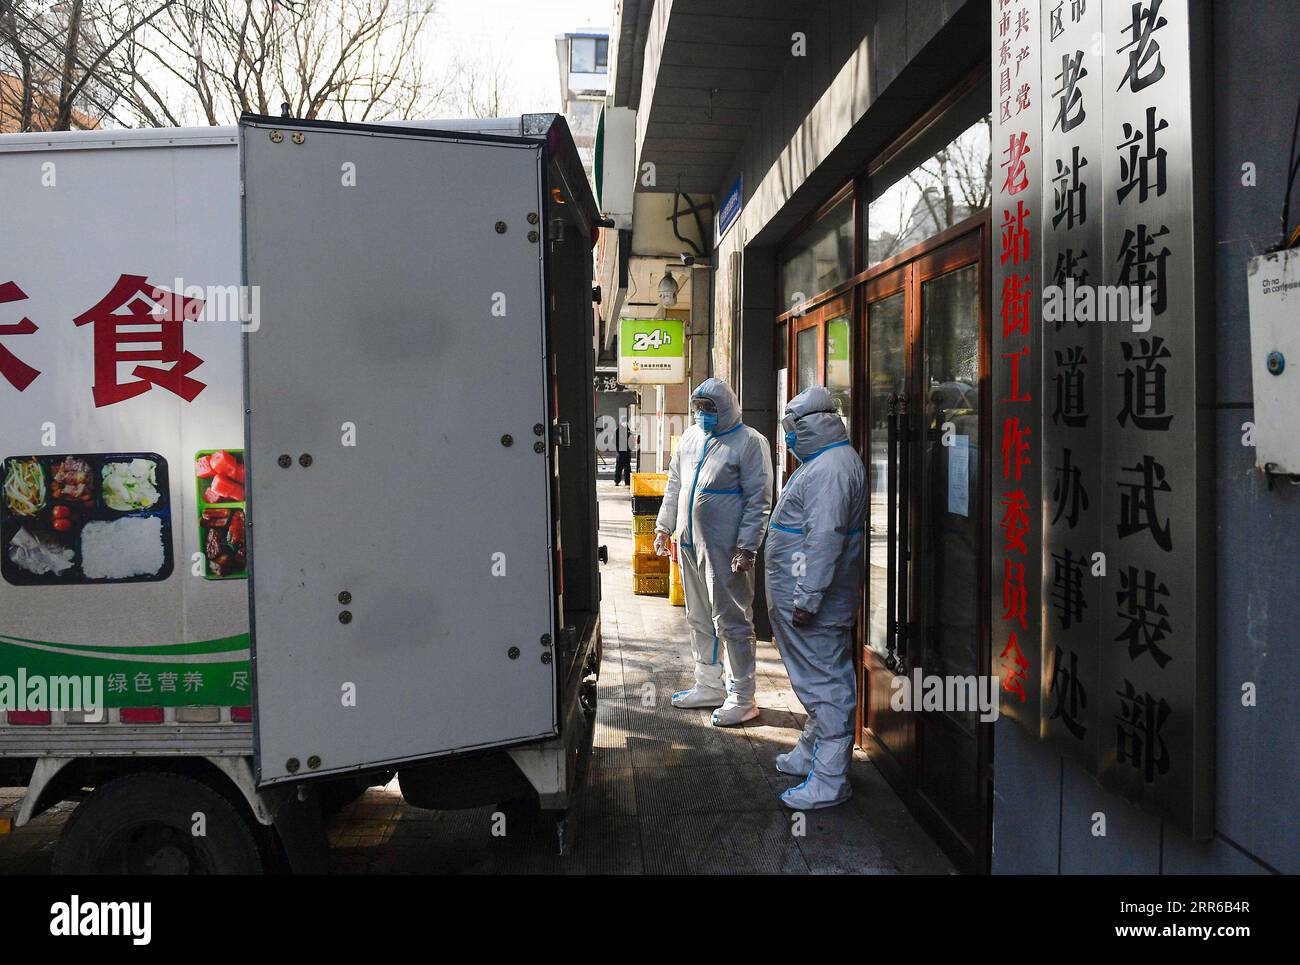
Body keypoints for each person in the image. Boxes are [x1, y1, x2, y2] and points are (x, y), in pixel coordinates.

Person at [764, 385, 866, 809]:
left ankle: (830, 779)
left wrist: (807, 598)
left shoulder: (830, 470)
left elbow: (824, 540)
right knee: (815, 678)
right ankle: (812, 752)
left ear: (812, 425)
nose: (788, 437)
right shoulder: (824, 462)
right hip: (804, 597)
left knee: (825, 683)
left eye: (792, 428)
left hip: (813, 602)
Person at [654, 377, 772, 726]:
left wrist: (748, 546)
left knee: (732, 620)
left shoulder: (750, 443)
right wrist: (664, 526)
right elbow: (675, 483)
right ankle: (708, 683)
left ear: (727, 407)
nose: (703, 414)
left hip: (727, 549)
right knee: (698, 616)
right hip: (689, 543)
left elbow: (758, 500)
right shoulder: (691, 437)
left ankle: (742, 695)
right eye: (699, 408)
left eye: (710, 408)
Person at [614, 416, 634, 486]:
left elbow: (631, 441)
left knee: (627, 469)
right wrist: (618, 449)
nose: (625, 423)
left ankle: (627, 482)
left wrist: (630, 448)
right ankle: (617, 481)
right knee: (619, 468)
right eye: (623, 421)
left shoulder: (628, 431)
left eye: (626, 421)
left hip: (627, 453)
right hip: (620, 453)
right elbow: (614, 440)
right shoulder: (617, 431)